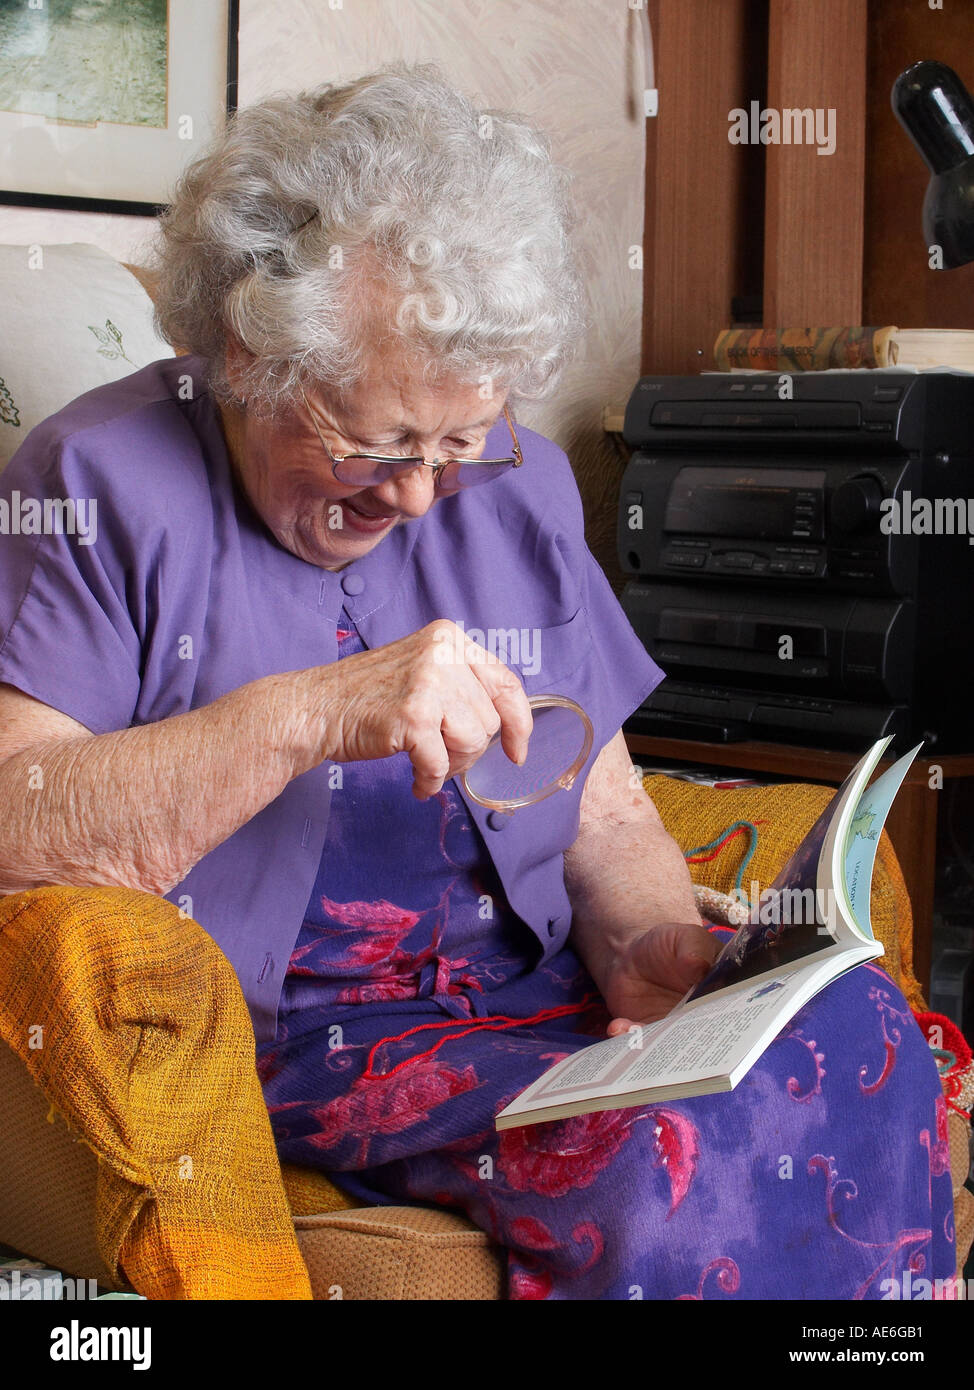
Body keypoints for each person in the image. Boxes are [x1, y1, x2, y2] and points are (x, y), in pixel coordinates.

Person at [0, 65, 953, 1300]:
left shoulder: (517, 485)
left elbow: (602, 810)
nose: (415, 493)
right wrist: (312, 710)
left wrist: (646, 953)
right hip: (310, 1037)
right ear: (247, 357)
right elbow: (19, 822)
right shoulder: (95, 481)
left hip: (536, 1002)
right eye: (378, 442)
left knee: (862, 1032)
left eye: (456, 443)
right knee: (661, 1157)